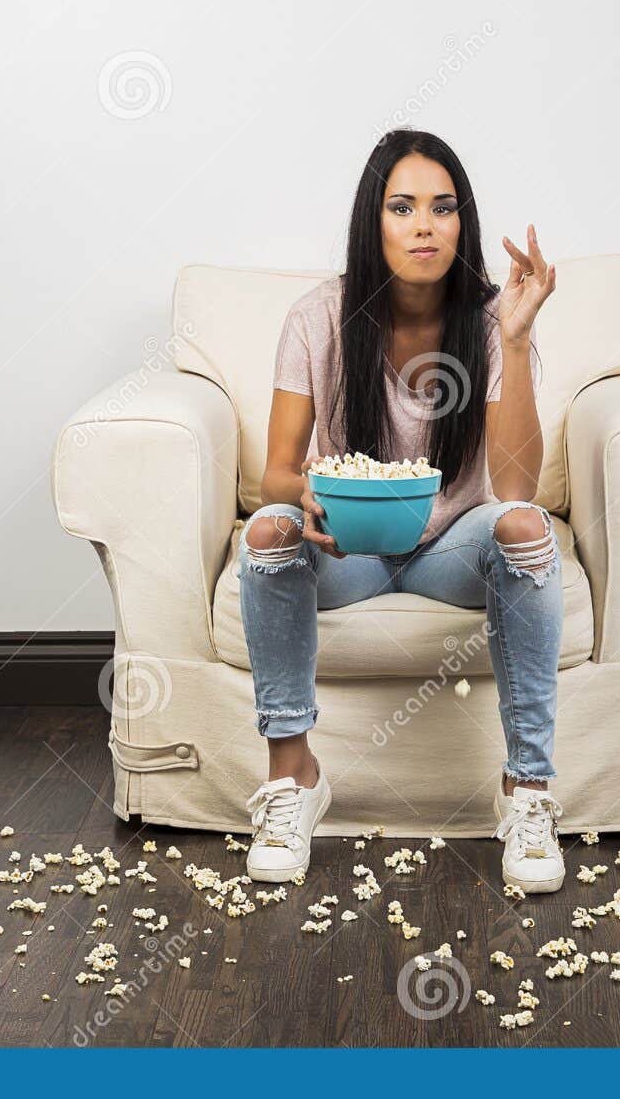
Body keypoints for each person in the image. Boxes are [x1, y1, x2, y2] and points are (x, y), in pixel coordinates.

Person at [238, 128, 565, 892]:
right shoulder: (317, 318)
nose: (425, 225)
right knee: (267, 530)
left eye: (443, 208)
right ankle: (294, 780)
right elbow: (276, 471)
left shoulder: (489, 321)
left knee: (526, 528)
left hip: (449, 547)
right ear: (371, 221)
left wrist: (515, 345)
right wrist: (305, 493)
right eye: (403, 207)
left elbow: (516, 485)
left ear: (464, 223)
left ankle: (528, 792)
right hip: (347, 549)